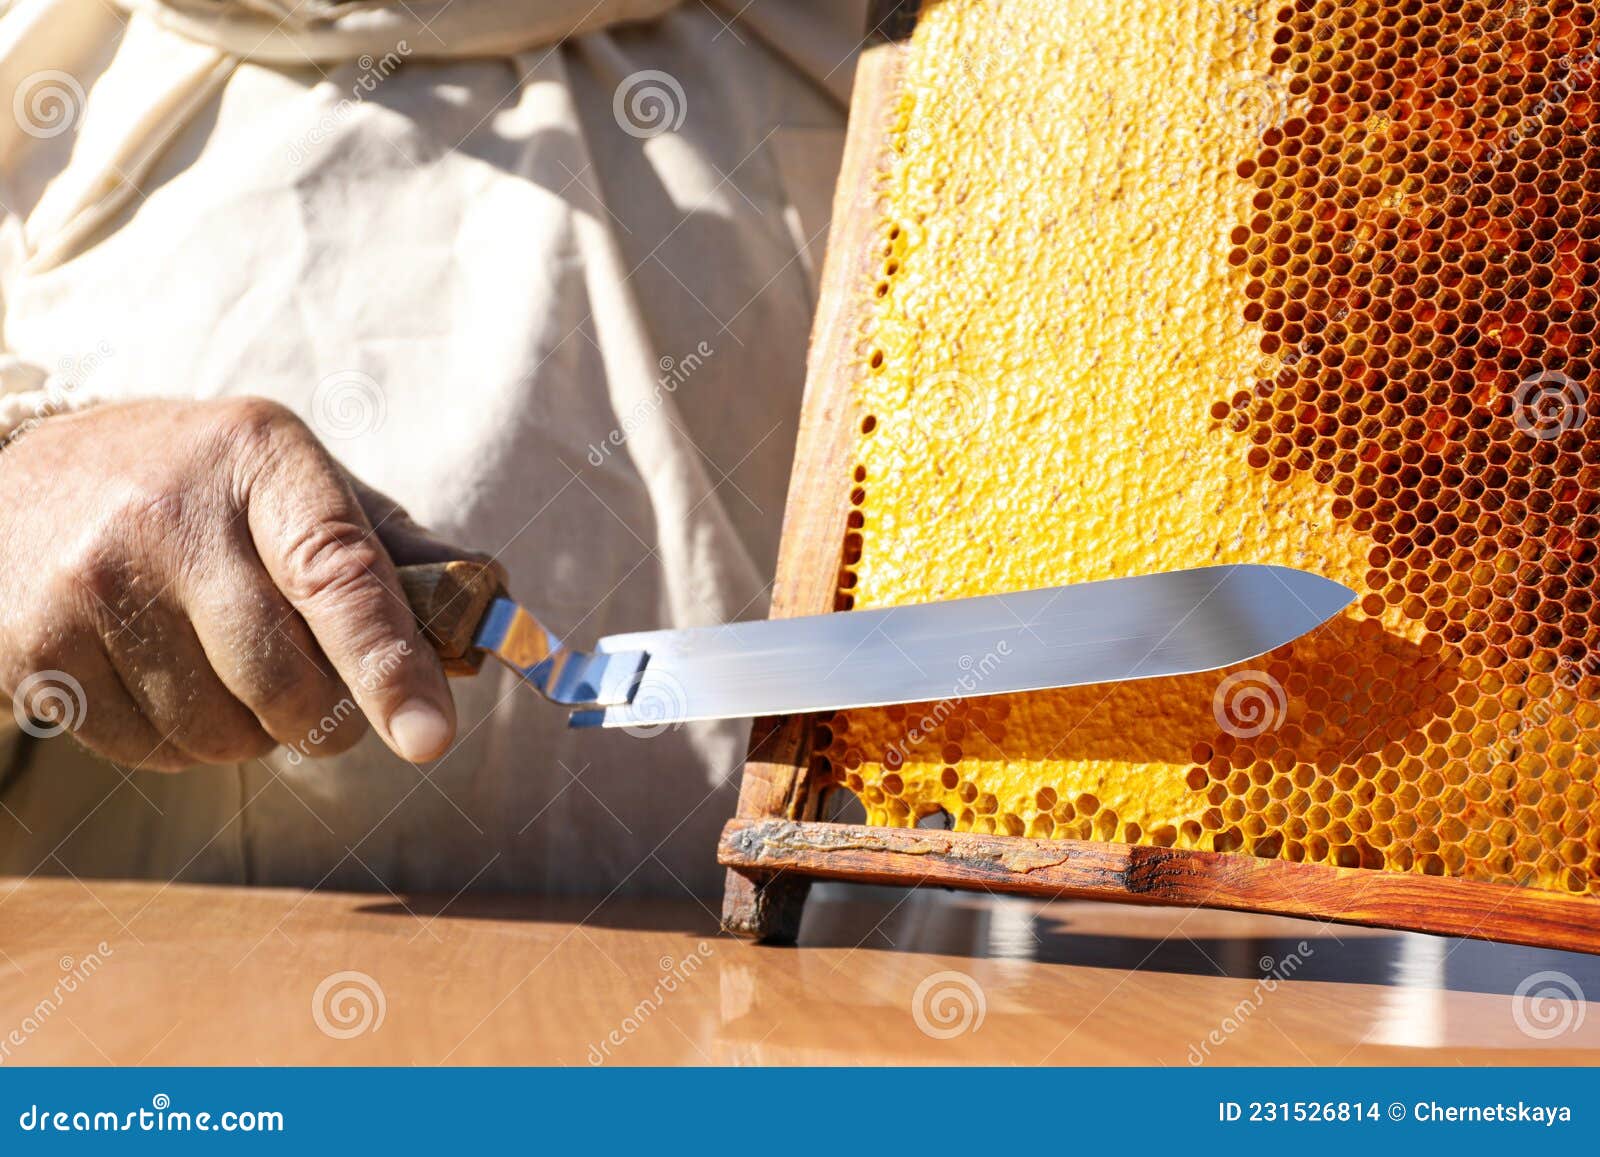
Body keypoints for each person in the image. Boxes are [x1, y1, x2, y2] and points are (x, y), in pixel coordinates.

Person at [0, 0, 864, 897]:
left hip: (834, 1030)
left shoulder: (895, 51)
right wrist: (19, 490)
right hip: (182, 1029)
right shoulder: (37, 81)